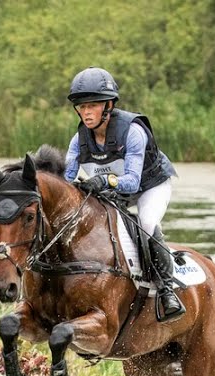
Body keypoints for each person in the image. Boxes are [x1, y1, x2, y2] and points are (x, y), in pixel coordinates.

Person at [63, 67, 184, 322]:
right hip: (113, 189)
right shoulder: (78, 140)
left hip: (149, 186)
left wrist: (103, 180)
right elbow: (66, 179)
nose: (86, 112)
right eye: (81, 106)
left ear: (108, 105)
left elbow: (131, 183)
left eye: (93, 105)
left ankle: (166, 290)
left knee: (147, 223)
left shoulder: (132, 132)